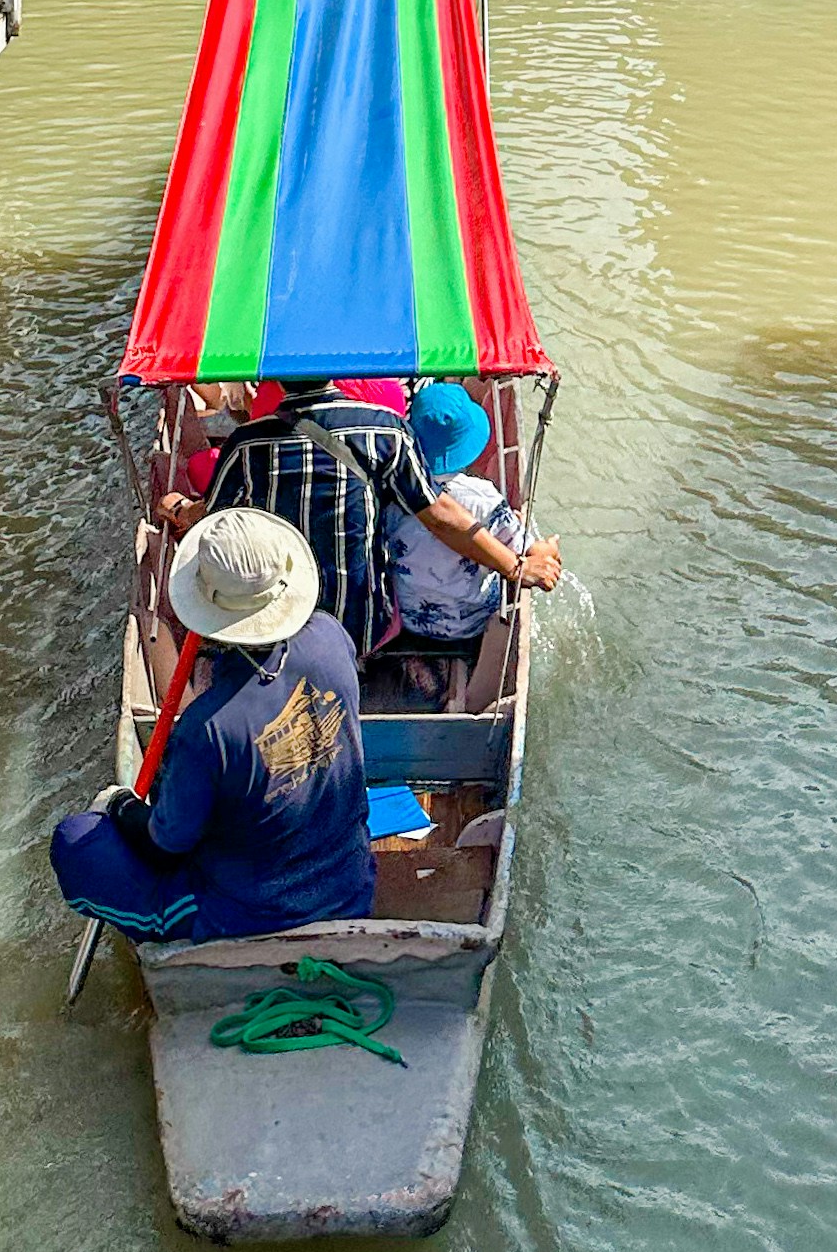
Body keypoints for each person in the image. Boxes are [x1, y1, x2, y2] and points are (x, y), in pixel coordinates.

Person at [46, 510, 374, 943]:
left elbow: (166, 848)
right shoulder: (331, 635)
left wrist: (121, 807)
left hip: (249, 917)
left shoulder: (206, 728)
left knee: (76, 840)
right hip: (351, 886)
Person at [160, 373, 561, 655]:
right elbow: (440, 515)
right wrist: (515, 567)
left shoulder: (247, 443)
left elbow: (212, 521)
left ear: (273, 378)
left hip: (276, 627)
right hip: (366, 628)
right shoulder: (386, 431)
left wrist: (176, 507)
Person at [386, 383, 527, 645]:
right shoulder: (482, 497)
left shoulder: (392, 487)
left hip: (405, 615)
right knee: (514, 523)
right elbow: (523, 549)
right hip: (468, 622)